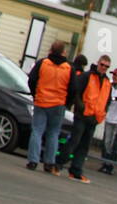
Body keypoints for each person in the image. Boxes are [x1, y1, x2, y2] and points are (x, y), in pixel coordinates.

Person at [60, 54, 111, 183]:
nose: (103, 68)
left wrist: (103, 113)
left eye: (106, 66)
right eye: (102, 65)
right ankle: (57, 164)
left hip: (94, 119)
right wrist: (81, 107)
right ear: (97, 63)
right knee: (73, 142)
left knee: (84, 146)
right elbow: (76, 92)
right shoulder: (86, 76)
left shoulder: (107, 82)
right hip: (82, 116)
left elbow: (107, 100)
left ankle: (76, 170)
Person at [25, 41, 71, 174]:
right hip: (58, 104)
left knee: (37, 131)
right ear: (63, 52)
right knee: (53, 133)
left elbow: (31, 80)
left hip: (42, 101)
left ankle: (33, 160)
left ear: (51, 50)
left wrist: (35, 94)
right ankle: (49, 162)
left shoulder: (42, 63)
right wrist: (66, 102)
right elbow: (73, 88)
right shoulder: (68, 68)